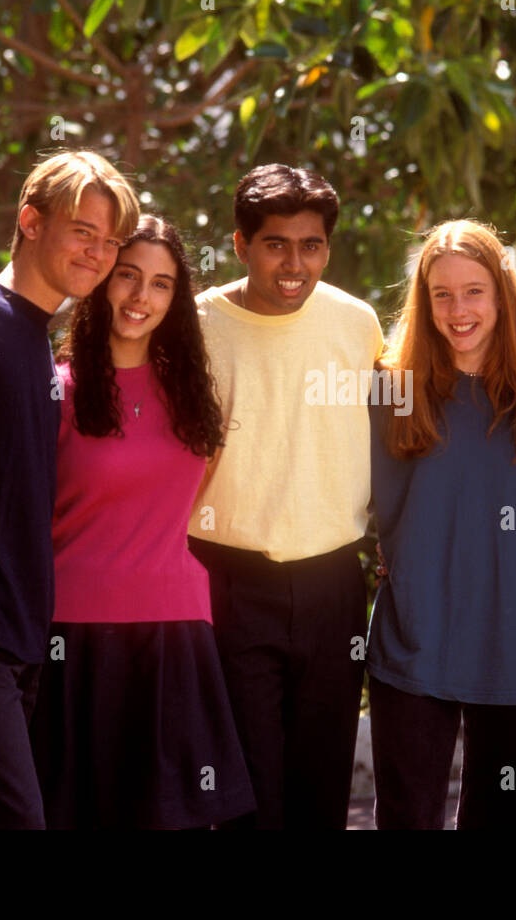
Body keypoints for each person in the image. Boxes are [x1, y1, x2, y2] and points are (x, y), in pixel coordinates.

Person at [0, 150, 139, 829]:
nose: (99, 254)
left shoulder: (40, 340)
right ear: (29, 220)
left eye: (110, 242)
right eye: (84, 232)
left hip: (21, 635)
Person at [29, 215, 255, 828]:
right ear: (102, 281)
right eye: (128, 276)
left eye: (160, 284)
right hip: (73, 636)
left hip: (176, 631)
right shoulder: (54, 388)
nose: (141, 297)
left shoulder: (193, 394)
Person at [186, 164, 384, 829]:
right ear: (241, 244)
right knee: (248, 793)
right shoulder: (191, 325)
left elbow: (392, 439)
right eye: (276, 244)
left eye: (312, 245)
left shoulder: (357, 324)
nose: (295, 264)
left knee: (321, 788)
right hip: (224, 578)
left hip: (333, 581)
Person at [367, 220, 516, 829]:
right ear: (424, 301)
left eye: (474, 291)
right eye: (442, 294)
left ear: (502, 295)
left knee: (501, 817)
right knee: (405, 818)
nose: (459, 309)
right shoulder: (390, 390)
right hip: (415, 635)